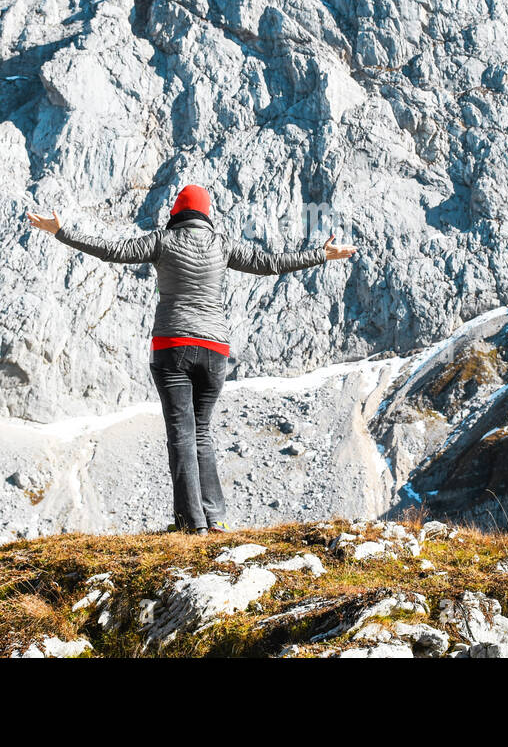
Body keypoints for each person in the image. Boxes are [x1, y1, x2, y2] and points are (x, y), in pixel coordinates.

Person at [27, 184, 356, 535]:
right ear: (206, 214)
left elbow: (111, 250)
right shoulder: (221, 244)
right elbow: (270, 264)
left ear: (176, 212)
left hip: (174, 346)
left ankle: (191, 524)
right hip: (216, 352)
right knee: (202, 433)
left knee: (182, 436)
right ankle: (216, 519)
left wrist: (61, 232)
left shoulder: (162, 241)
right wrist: (321, 255)